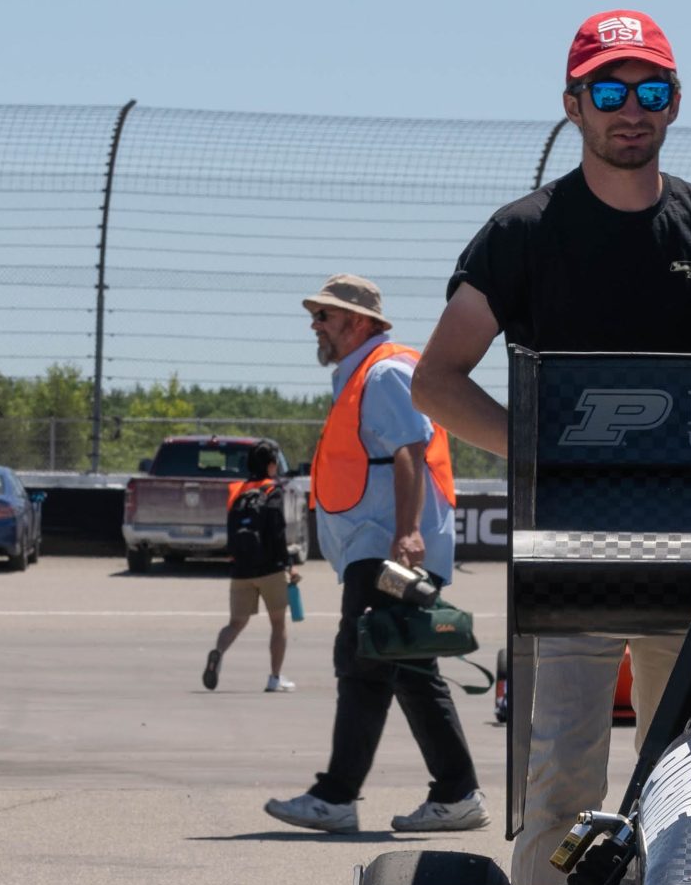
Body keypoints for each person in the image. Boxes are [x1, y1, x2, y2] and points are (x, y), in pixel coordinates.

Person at [414, 8, 691, 885]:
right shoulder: (523, 233)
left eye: (649, 90)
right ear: (572, 104)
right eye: (609, 91)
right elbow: (436, 381)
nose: (631, 109)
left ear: (675, 103)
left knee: (688, 784)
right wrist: (539, 455)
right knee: (562, 786)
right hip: (570, 551)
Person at [264, 274, 488, 836]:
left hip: (389, 547)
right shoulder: (362, 375)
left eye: (325, 315)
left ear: (359, 321)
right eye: (315, 315)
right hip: (380, 544)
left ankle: (338, 796)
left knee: (364, 663)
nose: (315, 325)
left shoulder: (384, 371)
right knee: (405, 665)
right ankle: (456, 794)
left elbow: (409, 448)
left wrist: (407, 534)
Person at [202, 442, 297, 693]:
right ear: (270, 465)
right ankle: (274, 678)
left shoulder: (237, 490)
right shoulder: (272, 490)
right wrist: (289, 565)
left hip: (241, 568)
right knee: (278, 624)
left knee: (236, 622)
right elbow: (277, 531)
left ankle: (218, 652)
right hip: (269, 569)